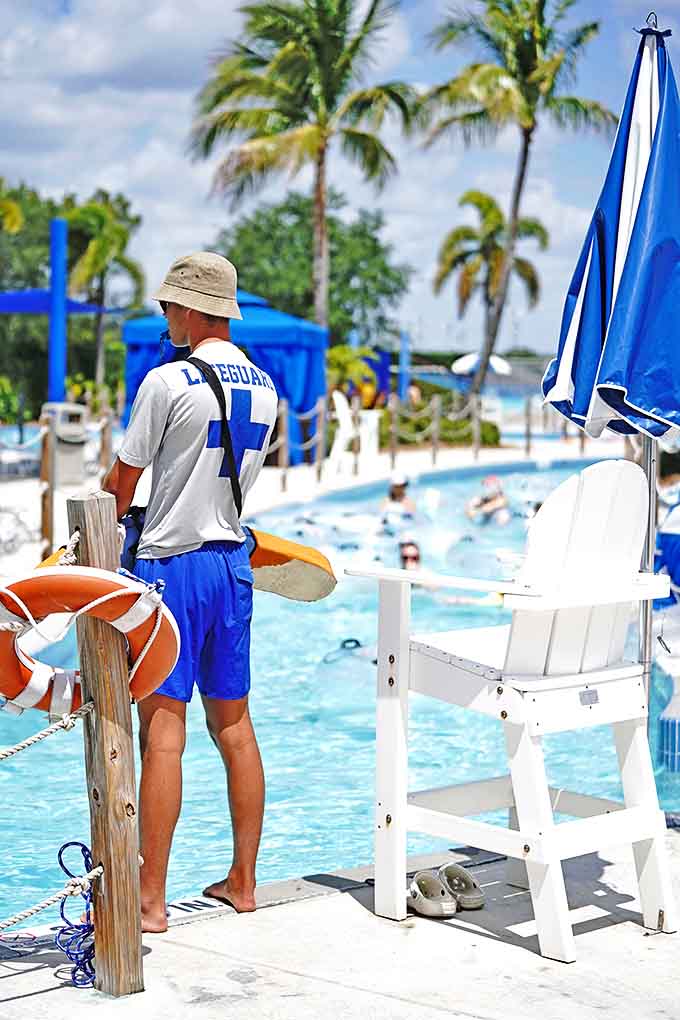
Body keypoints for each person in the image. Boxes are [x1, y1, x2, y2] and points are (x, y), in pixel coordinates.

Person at [103, 252, 278, 933]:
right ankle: (243, 882)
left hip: (171, 567)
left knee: (163, 735)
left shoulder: (168, 381)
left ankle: (150, 903)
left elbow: (122, 485)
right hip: (233, 562)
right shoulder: (265, 387)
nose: (165, 316)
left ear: (196, 309)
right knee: (234, 726)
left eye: (171, 306)